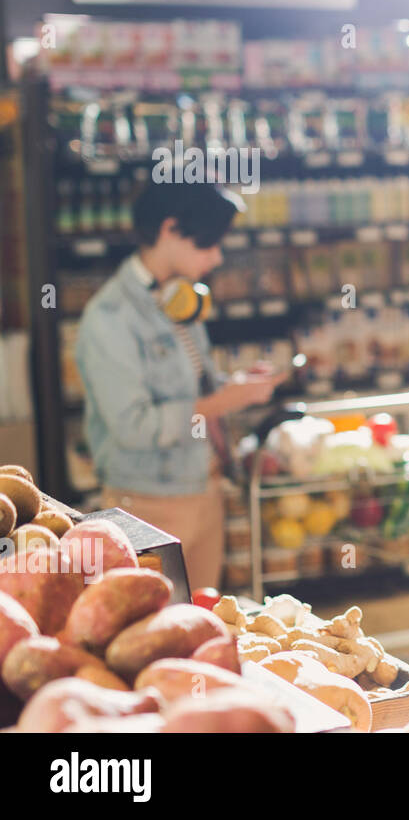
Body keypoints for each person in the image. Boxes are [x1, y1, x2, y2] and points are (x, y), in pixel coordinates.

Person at [76, 180, 286, 591]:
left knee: (200, 619)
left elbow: (190, 387)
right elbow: (134, 426)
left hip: (205, 488)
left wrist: (234, 388)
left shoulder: (179, 299)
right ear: (170, 229)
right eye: (208, 244)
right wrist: (225, 400)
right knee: (156, 629)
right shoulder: (109, 316)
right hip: (148, 503)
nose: (217, 256)